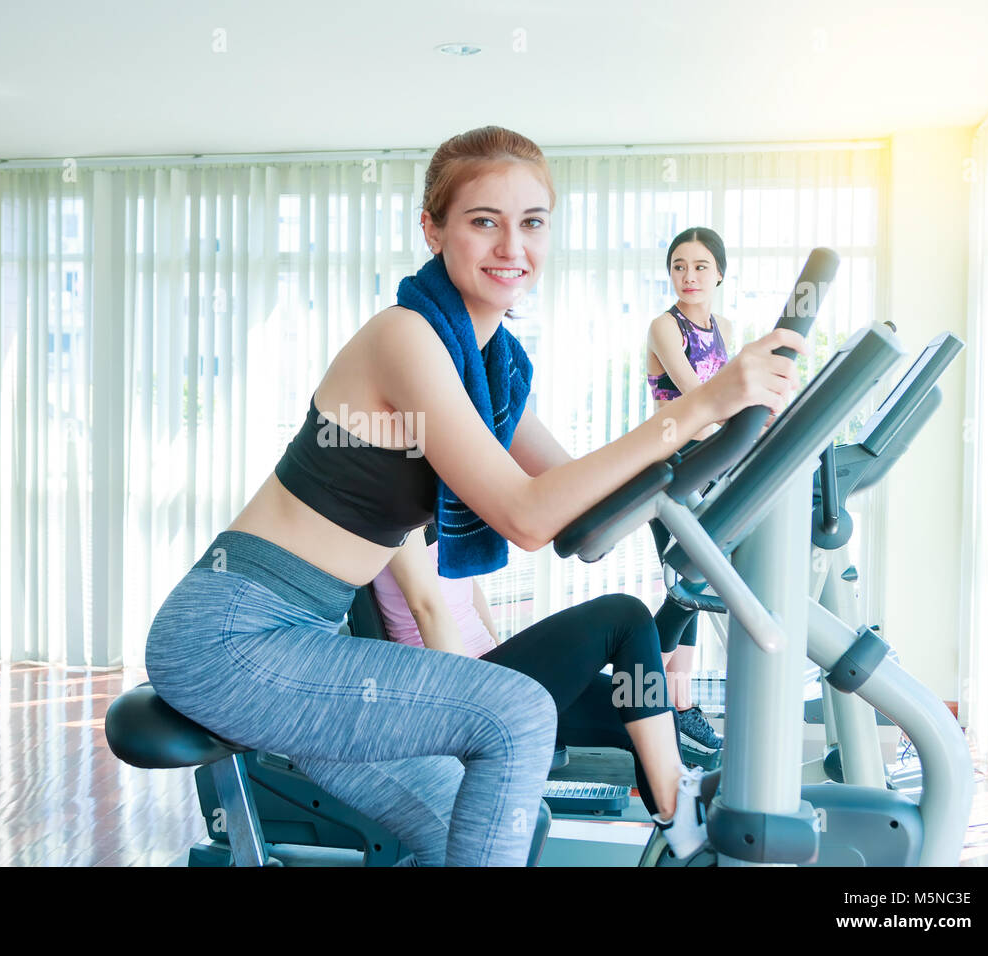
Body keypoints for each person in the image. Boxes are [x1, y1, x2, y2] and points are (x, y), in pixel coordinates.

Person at [145, 127, 802, 866]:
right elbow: (524, 515)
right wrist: (708, 399)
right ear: (431, 228)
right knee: (516, 713)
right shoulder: (406, 338)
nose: (510, 246)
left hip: (307, 640)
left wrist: (718, 444)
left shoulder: (490, 364)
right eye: (483, 220)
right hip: (230, 639)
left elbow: (575, 493)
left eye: (532, 223)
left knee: (501, 827)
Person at [369, 523, 672, 816]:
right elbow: (427, 608)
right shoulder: (398, 514)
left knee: (653, 721)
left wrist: (505, 653)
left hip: (487, 672)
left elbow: (469, 592)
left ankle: (677, 840)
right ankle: (677, 815)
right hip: (454, 688)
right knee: (626, 616)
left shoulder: (435, 508)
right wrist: (464, 703)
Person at [644, 226, 734, 755]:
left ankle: (677, 707)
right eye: (679, 265)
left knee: (693, 592)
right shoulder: (664, 326)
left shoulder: (723, 325)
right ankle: (649, 699)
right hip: (673, 467)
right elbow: (699, 398)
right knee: (685, 588)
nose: (689, 276)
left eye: (700, 266)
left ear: (719, 272)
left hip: (712, 465)